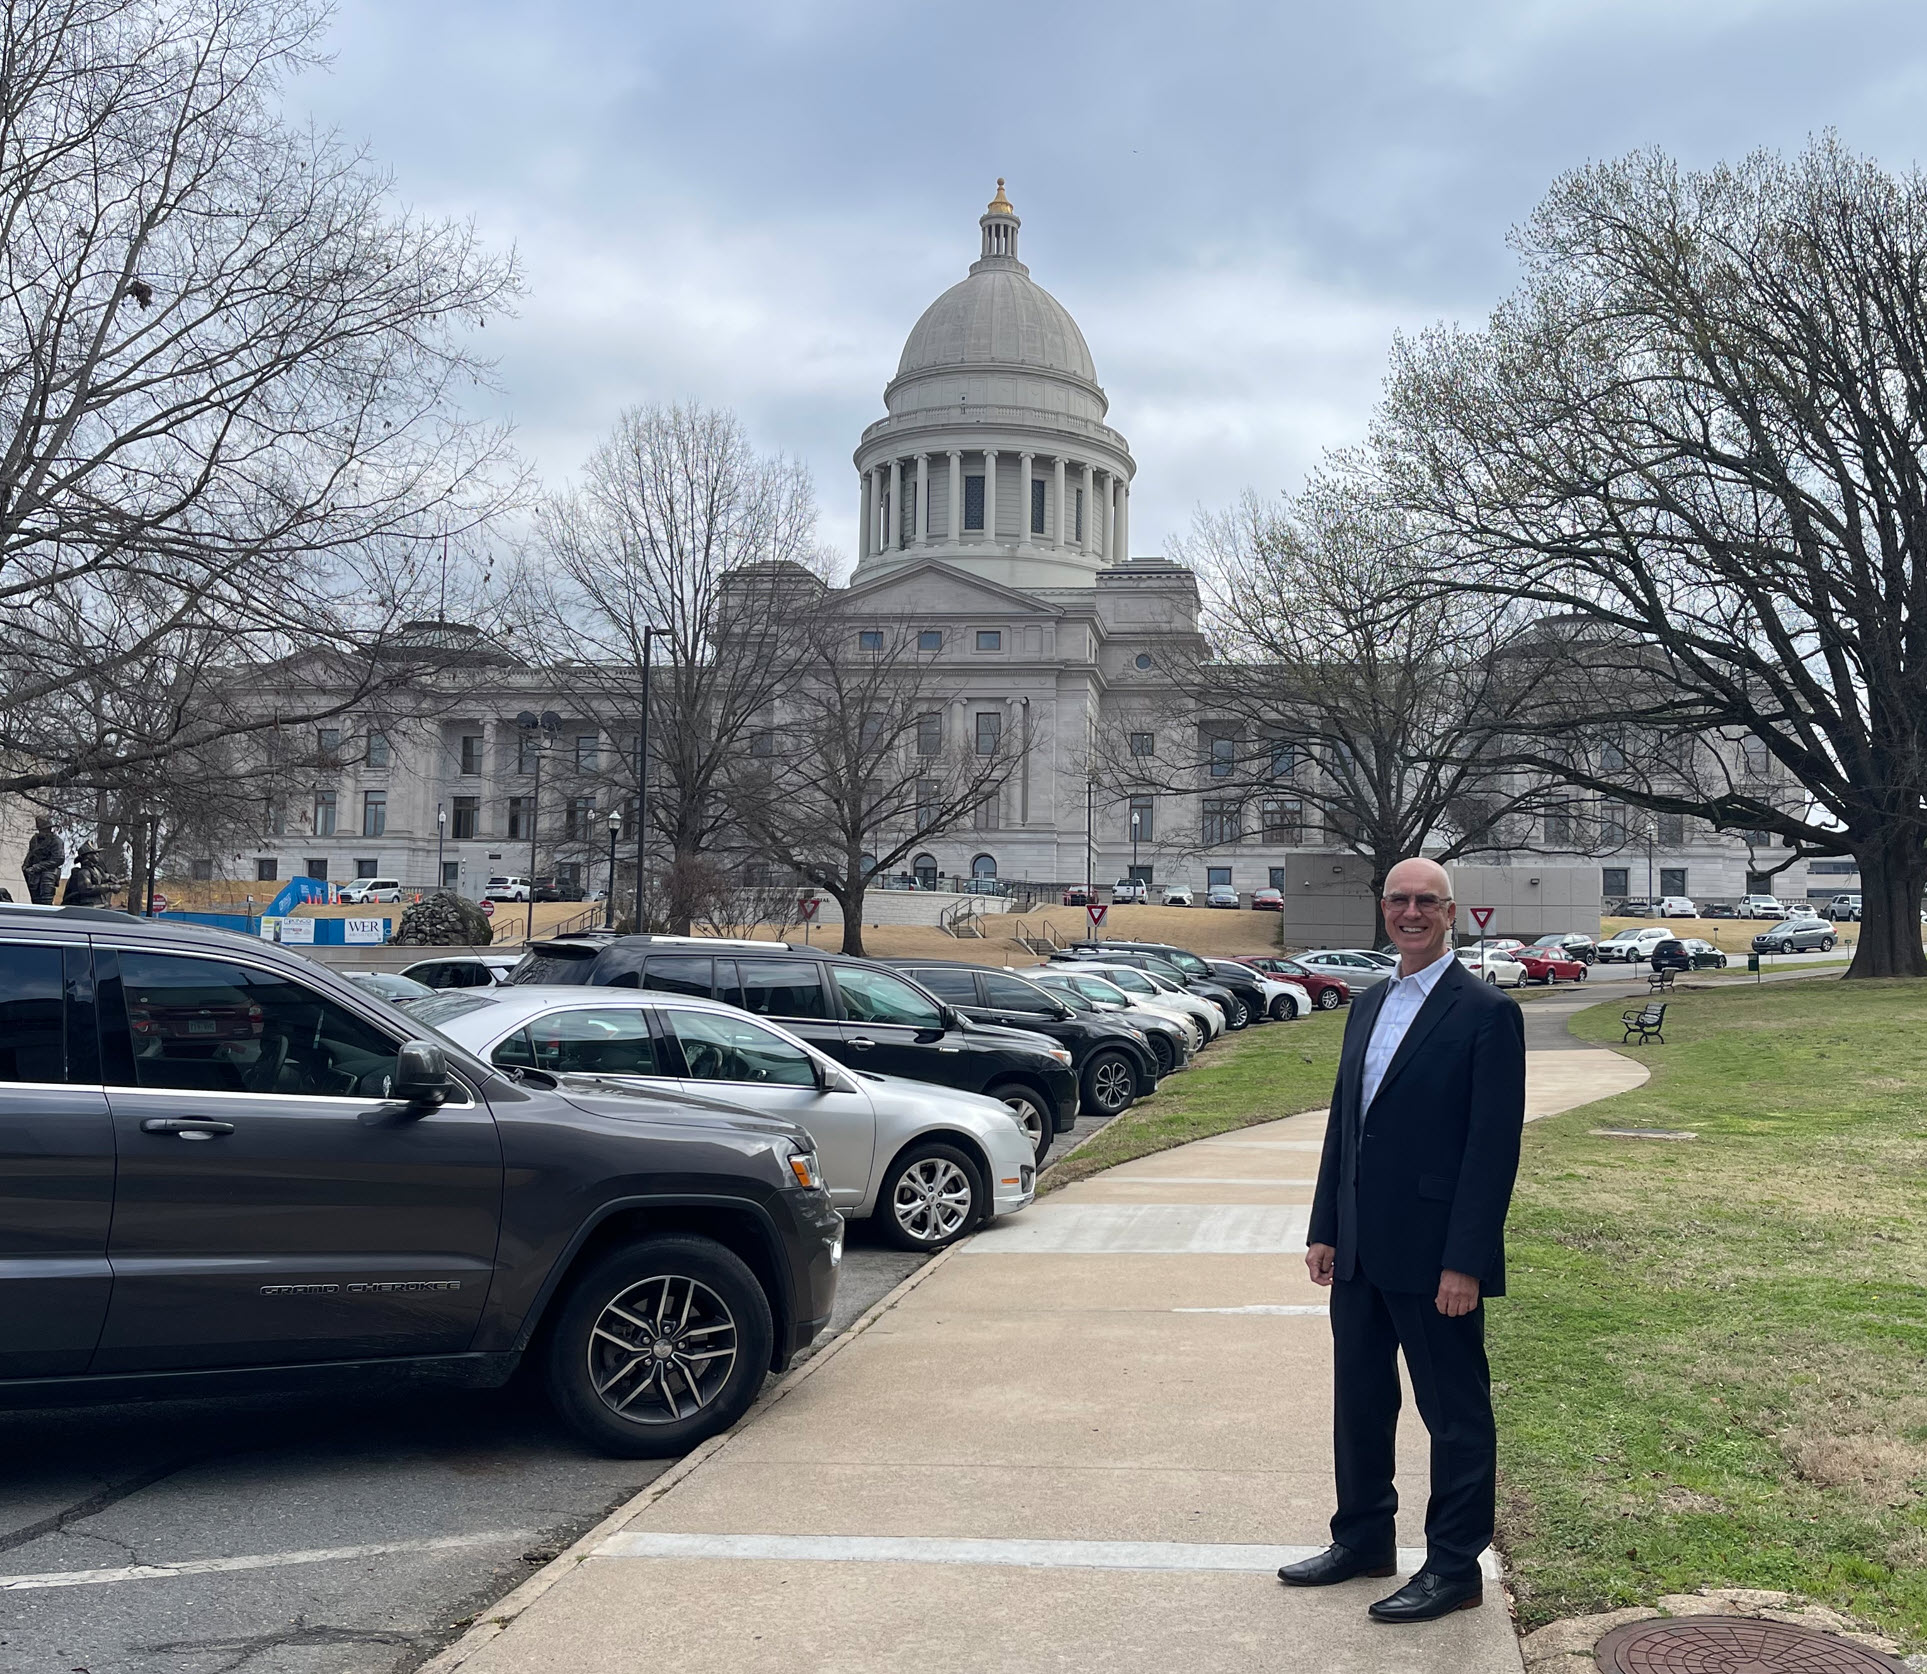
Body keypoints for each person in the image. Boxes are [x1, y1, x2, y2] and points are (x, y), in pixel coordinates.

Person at [1278, 857, 1525, 1623]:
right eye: (1398, 900)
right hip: (1356, 1248)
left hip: (1433, 1253)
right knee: (1359, 1400)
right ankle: (1361, 1540)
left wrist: (1466, 1262)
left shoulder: (1484, 1011)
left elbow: (1492, 1150)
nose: (1410, 912)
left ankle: (1453, 1567)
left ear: (1450, 913)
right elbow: (1344, 1126)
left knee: (1453, 1413)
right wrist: (1324, 1226)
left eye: (1425, 901)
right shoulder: (1370, 1000)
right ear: (1382, 909)